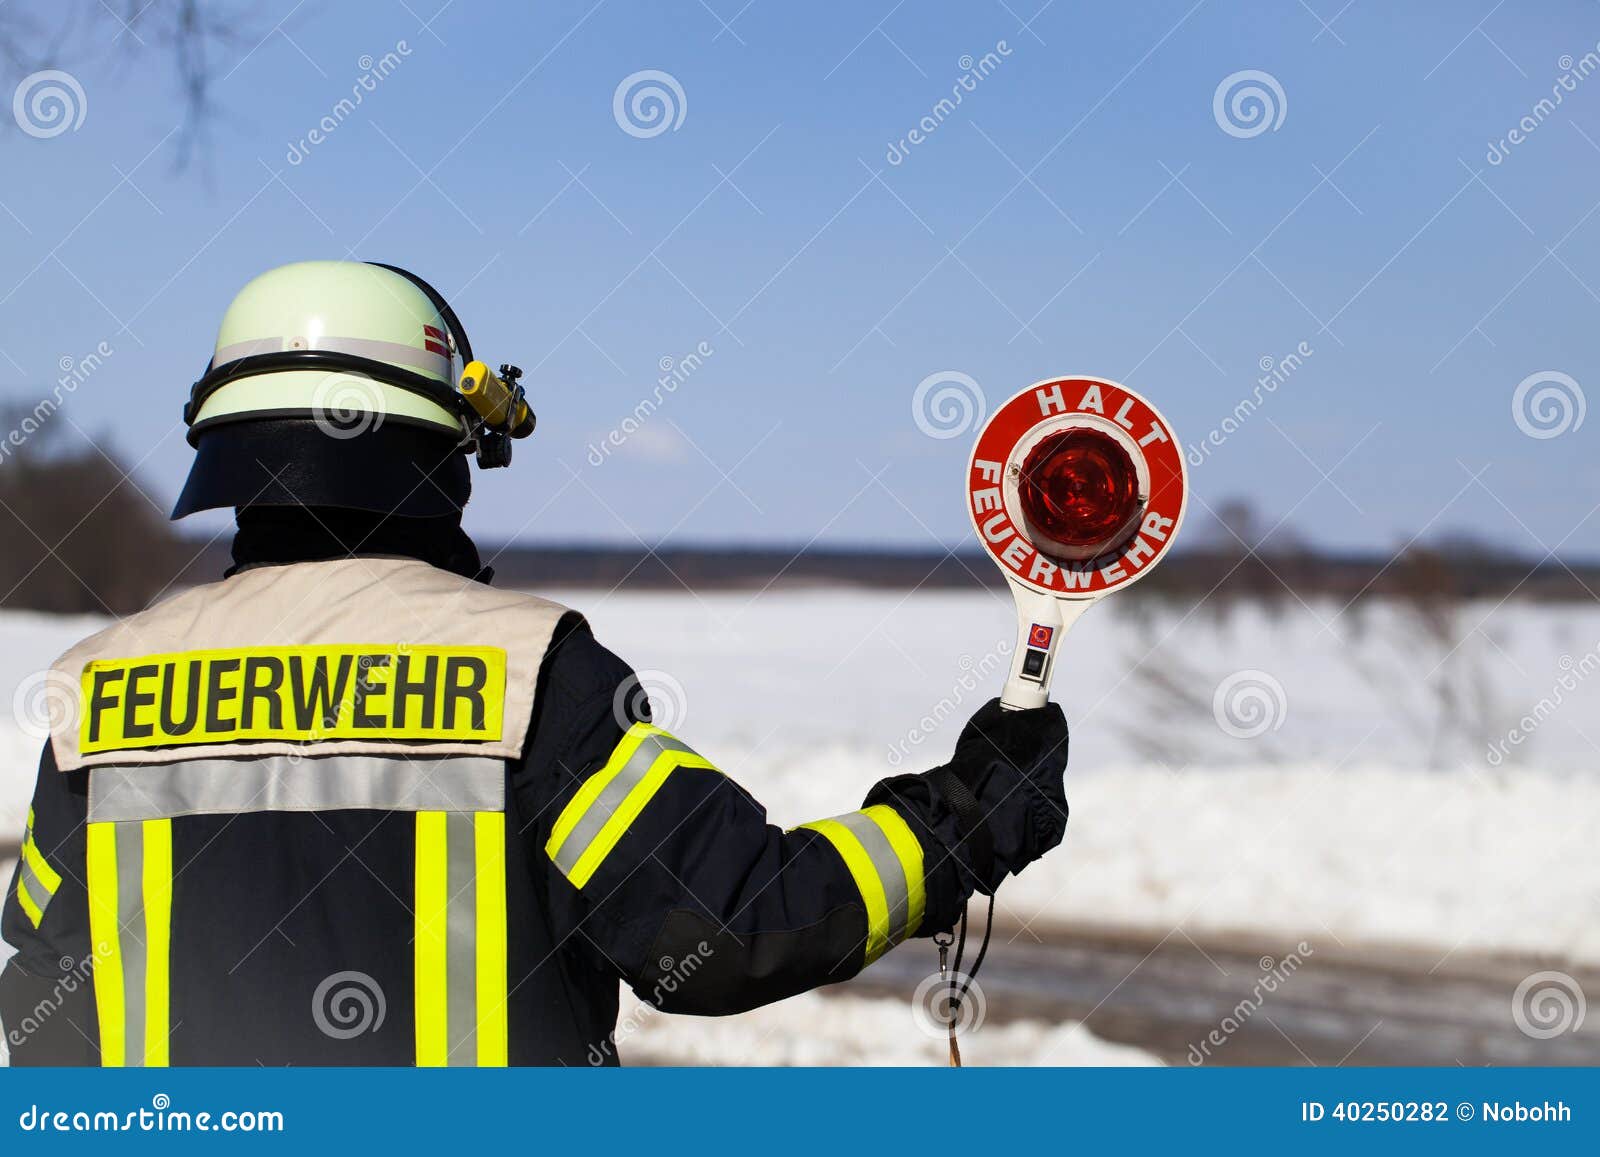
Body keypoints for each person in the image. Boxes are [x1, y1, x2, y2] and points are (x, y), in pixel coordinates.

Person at [0, 261, 1068, 1066]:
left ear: (225, 450)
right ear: (443, 453)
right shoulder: (527, 672)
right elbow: (733, 926)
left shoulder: (97, 692)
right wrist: (970, 813)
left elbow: (41, 1002)